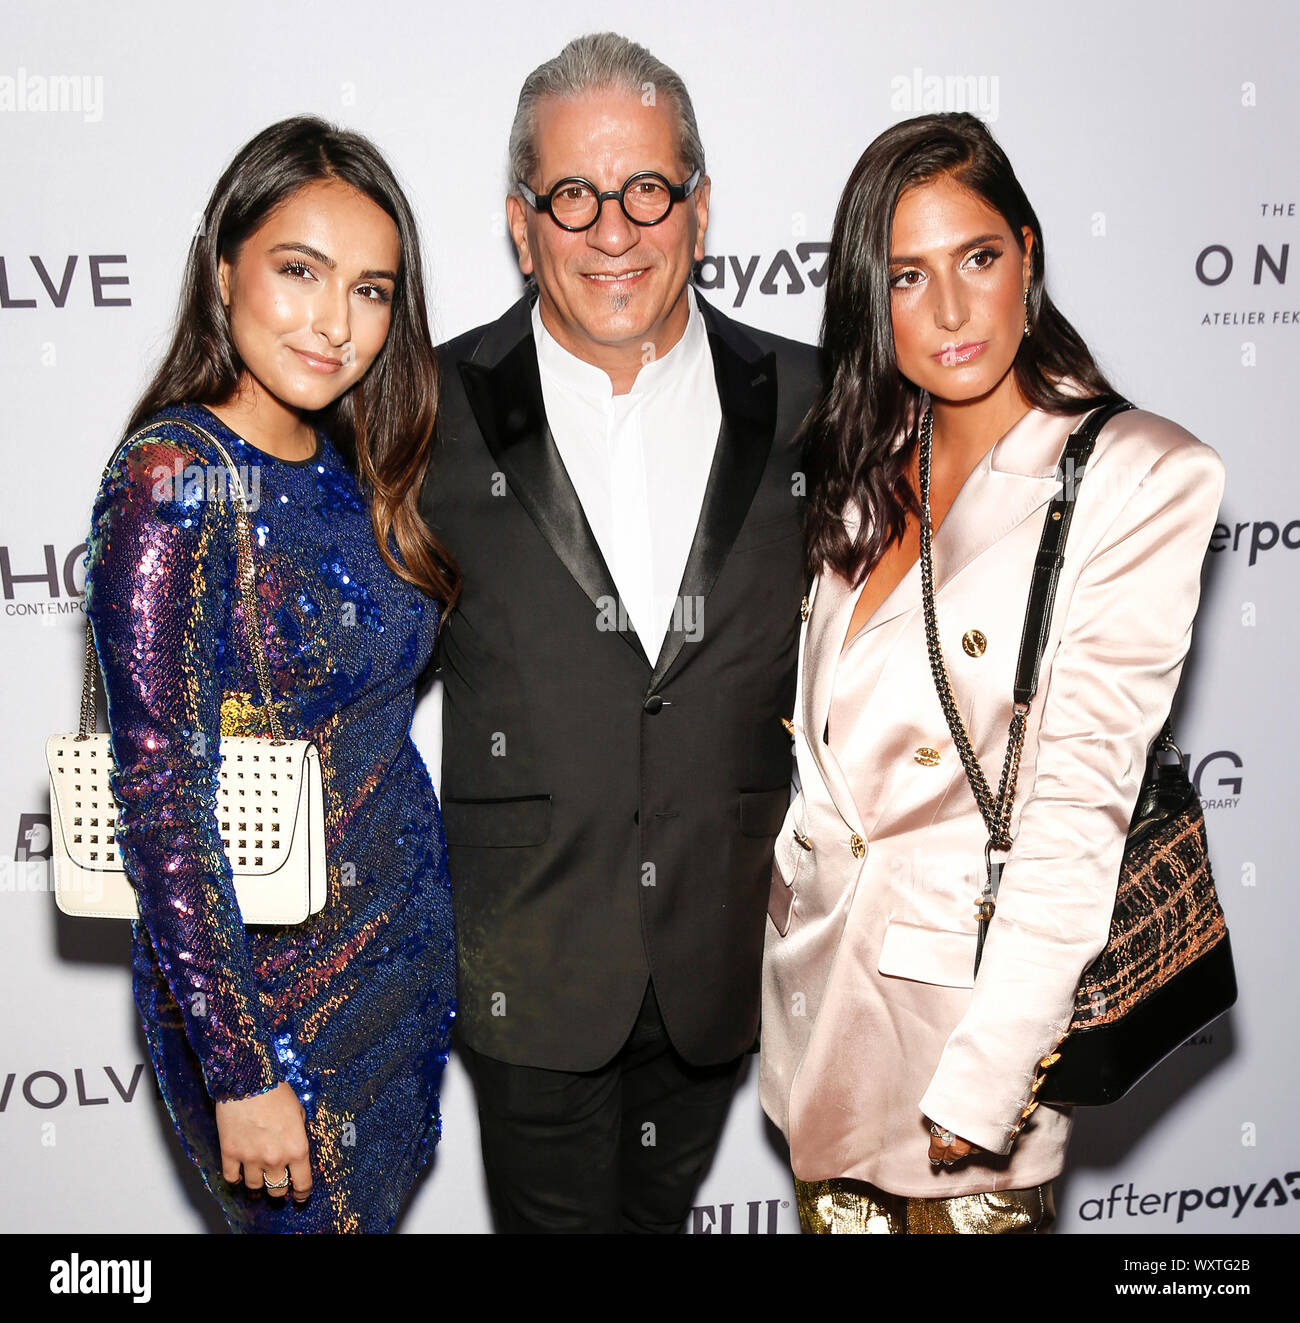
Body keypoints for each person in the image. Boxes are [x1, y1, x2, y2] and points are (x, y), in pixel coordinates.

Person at [758, 112, 1225, 1234]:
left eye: (977, 259)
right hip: (821, 1003)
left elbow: (1075, 809)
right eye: (907, 278)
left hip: (958, 1044)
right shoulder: (872, 452)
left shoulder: (1134, 475)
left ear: (1028, 251)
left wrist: (990, 1076)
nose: (953, 310)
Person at [421, 32, 819, 1233]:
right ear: (520, 220)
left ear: (698, 210)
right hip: (531, 955)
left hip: (722, 951)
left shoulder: (811, 399)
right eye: (573, 196)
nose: (613, 229)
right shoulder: (421, 409)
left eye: (647, 189)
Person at [83, 116, 460, 1233]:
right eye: (300, 272)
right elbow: (156, 792)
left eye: (372, 290)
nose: (337, 324)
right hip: (264, 994)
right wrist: (241, 1069)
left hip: (400, 953)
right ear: (223, 267)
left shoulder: (358, 469)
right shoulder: (172, 474)